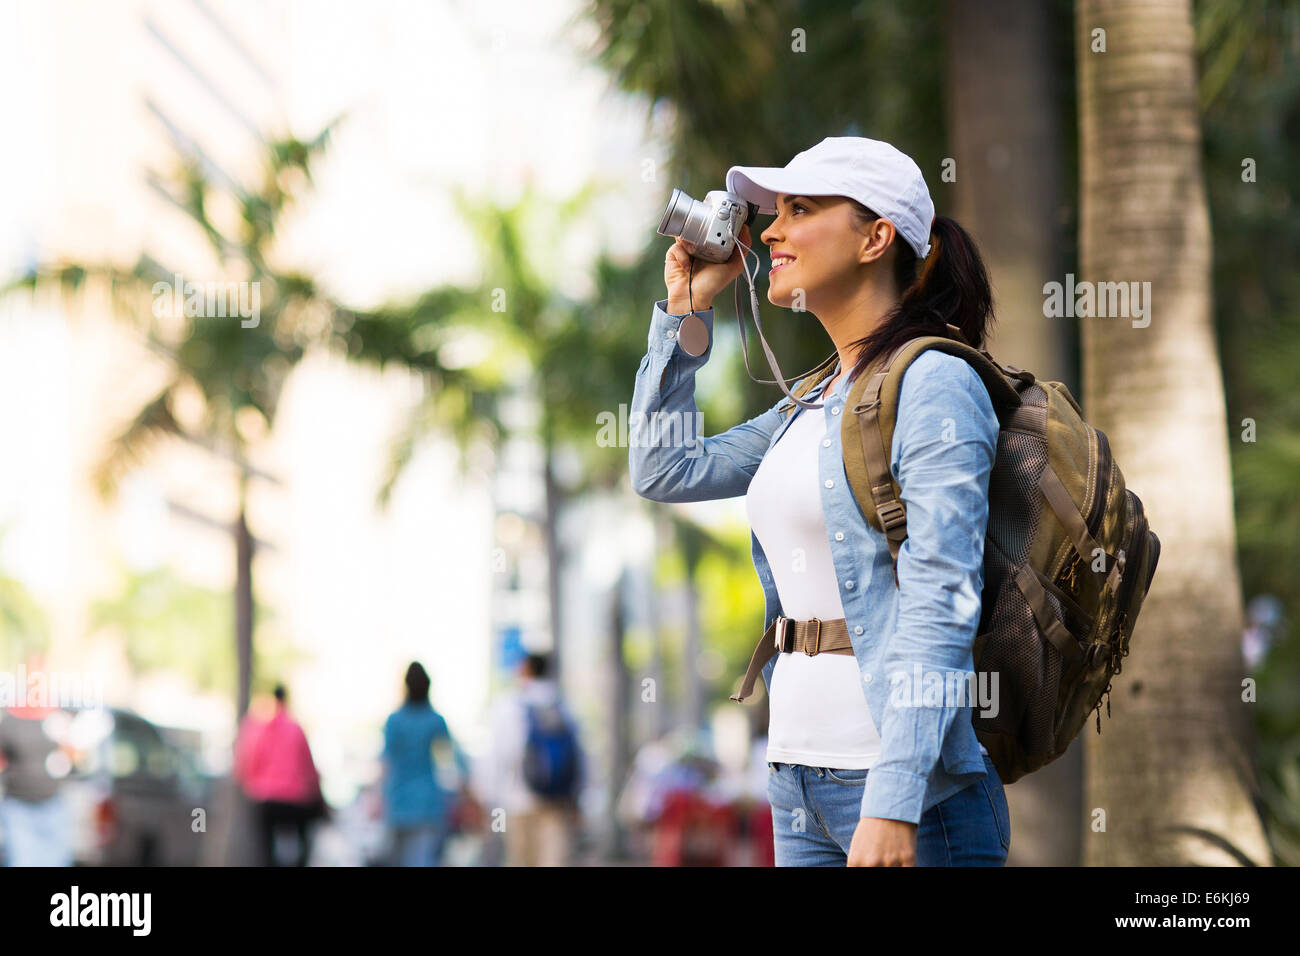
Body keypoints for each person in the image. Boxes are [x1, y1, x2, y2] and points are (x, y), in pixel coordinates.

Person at [629, 136, 1011, 867]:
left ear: (875, 237)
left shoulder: (933, 383)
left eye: (799, 209)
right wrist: (684, 313)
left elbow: (942, 599)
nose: (769, 230)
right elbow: (663, 468)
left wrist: (894, 802)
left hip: (906, 796)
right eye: (774, 212)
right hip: (797, 782)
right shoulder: (809, 401)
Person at [476, 652, 583, 866]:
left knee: (521, 860)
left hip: (518, 800)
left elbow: (497, 756)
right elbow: (581, 757)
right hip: (558, 801)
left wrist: (489, 799)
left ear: (525, 670)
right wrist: (579, 799)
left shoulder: (509, 706)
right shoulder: (563, 707)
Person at [380, 662, 472, 866]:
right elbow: (456, 760)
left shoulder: (394, 721)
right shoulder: (435, 720)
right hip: (427, 803)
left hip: (397, 801)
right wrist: (468, 791)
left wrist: (379, 797)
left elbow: (385, 763)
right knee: (422, 859)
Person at [234, 684, 325, 867]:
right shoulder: (295, 729)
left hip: (266, 797)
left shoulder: (261, 728)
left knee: (266, 850)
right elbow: (308, 765)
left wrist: (249, 785)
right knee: (301, 846)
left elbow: (248, 761)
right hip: (295, 799)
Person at [0, 702, 73, 867]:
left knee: (57, 861)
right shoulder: (9, 722)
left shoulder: (58, 718)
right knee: (21, 861)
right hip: (19, 807)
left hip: (53, 804)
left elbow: (72, 755)